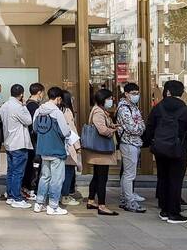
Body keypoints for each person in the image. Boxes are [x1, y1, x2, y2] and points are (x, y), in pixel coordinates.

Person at [150, 80, 187, 224]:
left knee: (163, 178)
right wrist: (184, 145)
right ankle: (174, 213)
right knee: (176, 181)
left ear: (168, 92)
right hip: (178, 150)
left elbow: (150, 128)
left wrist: (156, 143)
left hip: (160, 150)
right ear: (181, 93)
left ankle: (164, 210)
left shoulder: (157, 109)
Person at [32, 87, 71, 215]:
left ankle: (39, 203)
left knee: (44, 177)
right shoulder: (57, 113)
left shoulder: (39, 110)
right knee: (57, 179)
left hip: (43, 149)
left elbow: (35, 128)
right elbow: (65, 132)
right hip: (56, 149)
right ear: (58, 98)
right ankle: (53, 205)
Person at [82, 88, 119, 216]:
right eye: (109, 98)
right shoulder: (98, 111)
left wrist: (113, 125)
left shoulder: (100, 110)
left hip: (99, 151)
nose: (111, 101)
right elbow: (102, 130)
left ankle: (91, 200)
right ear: (103, 99)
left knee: (97, 176)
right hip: (101, 151)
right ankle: (102, 205)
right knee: (102, 178)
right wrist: (113, 131)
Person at [114, 82, 147, 212]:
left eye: (137, 93)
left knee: (127, 173)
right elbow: (133, 128)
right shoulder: (124, 108)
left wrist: (139, 126)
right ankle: (129, 201)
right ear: (126, 94)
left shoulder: (133, 107)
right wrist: (140, 126)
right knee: (129, 174)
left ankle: (124, 198)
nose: (136, 96)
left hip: (134, 142)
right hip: (128, 143)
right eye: (133, 93)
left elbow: (141, 124)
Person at [0, 83, 33, 208]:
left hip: (9, 142)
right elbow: (28, 120)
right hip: (19, 143)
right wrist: (24, 106)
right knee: (18, 172)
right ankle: (16, 198)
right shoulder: (18, 107)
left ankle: (10, 195)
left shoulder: (4, 106)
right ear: (21, 94)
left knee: (11, 171)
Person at [59, 90, 82, 207]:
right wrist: (77, 146)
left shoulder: (56, 110)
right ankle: (65, 195)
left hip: (57, 145)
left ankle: (58, 194)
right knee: (68, 171)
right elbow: (72, 129)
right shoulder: (67, 111)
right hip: (68, 146)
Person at [22, 82, 45, 198]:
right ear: (39, 92)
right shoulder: (35, 106)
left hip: (28, 139)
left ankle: (26, 186)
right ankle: (31, 187)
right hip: (34, 140)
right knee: (34, 165)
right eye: (42, 93)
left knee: (29, 164)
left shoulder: (26, 104)